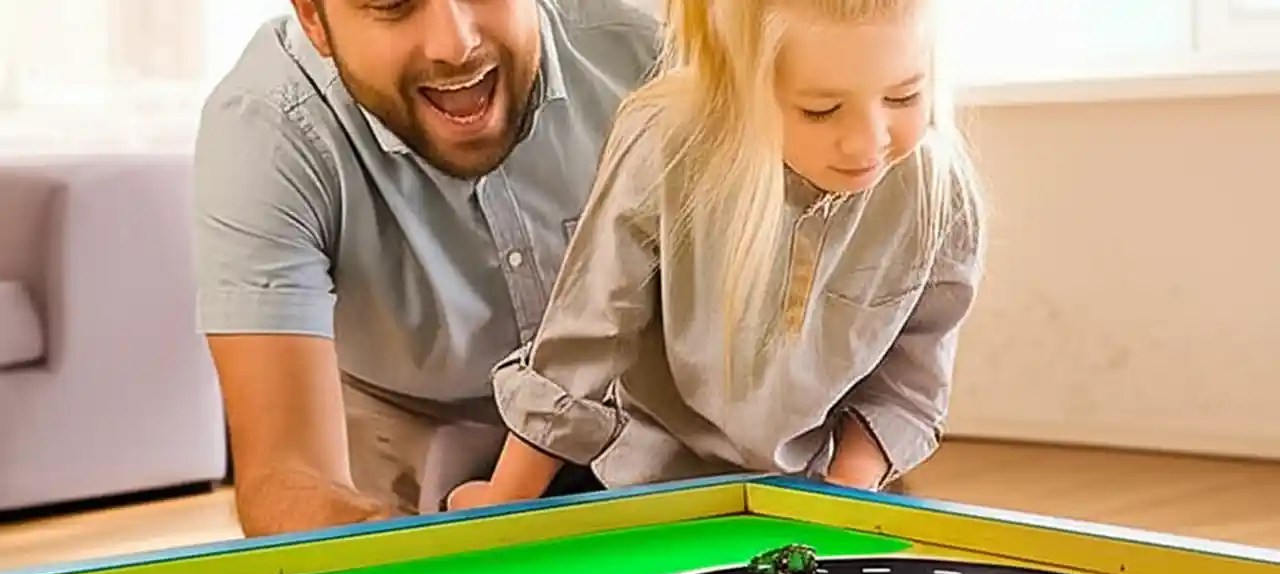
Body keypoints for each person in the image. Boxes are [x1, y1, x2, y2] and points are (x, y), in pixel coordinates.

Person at [445, 0, 986, 511]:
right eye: (821, 110)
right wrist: (505, 499)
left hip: (812, 486)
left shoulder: (939, 193)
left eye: (903, 97)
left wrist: (841, 495)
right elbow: (587, 335)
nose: (867, 144)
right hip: (649, 486)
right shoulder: (666, 147)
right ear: (738, 90)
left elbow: (907, 384)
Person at [191, 0, 660, 536]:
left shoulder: (648, 57)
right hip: (410, 510)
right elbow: (288, 476)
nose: (457, 46)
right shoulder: (267, 132)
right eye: (392, 4)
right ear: (314, 19)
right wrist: (415, 554)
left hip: (653, 489)